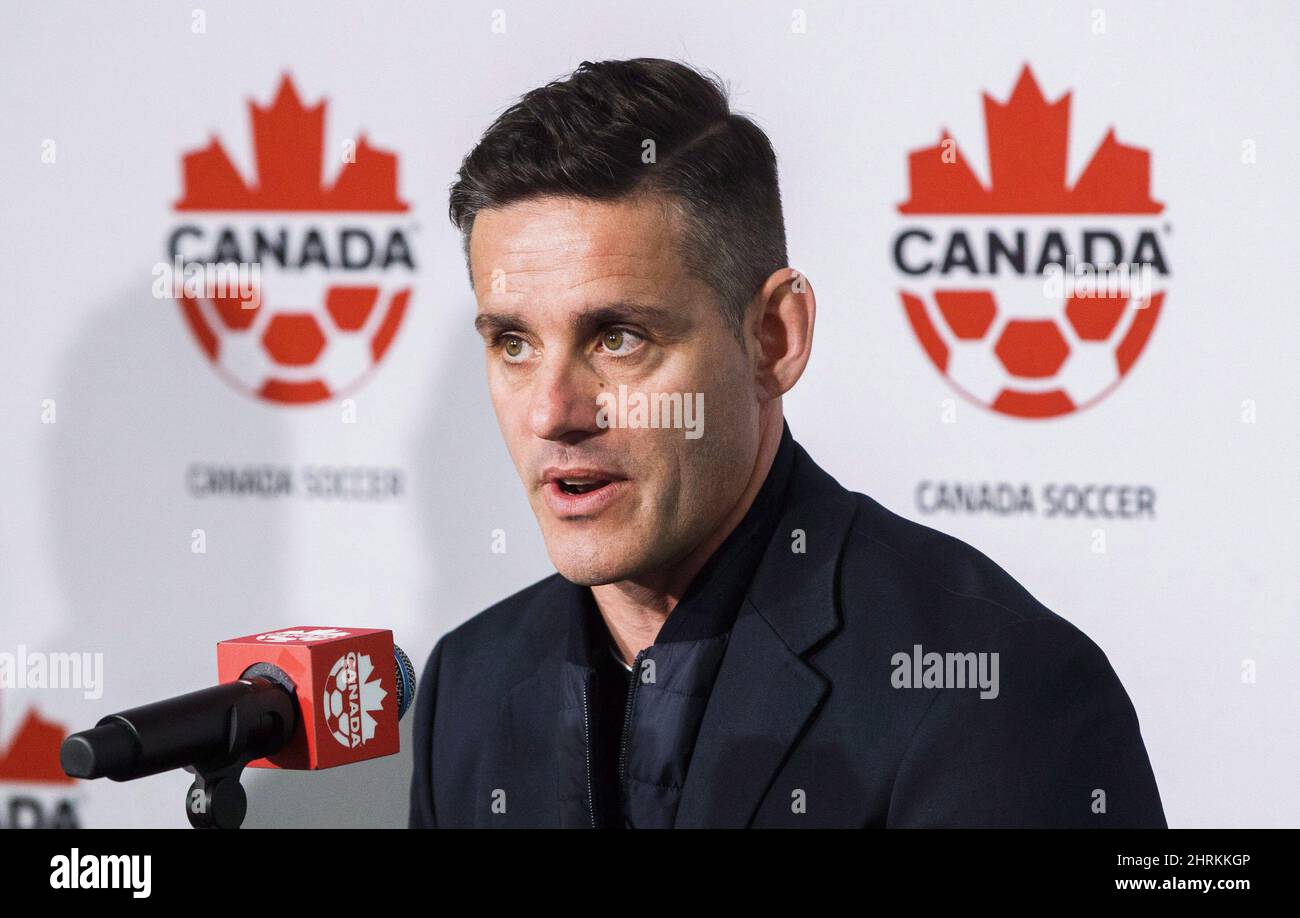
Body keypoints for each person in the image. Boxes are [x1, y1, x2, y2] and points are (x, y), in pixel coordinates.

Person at [409, 58, 1166, 828]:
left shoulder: (993, 698)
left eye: (618, 337)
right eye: (512, 343)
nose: (551, 412)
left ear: (774, 338)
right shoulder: (466, 687)